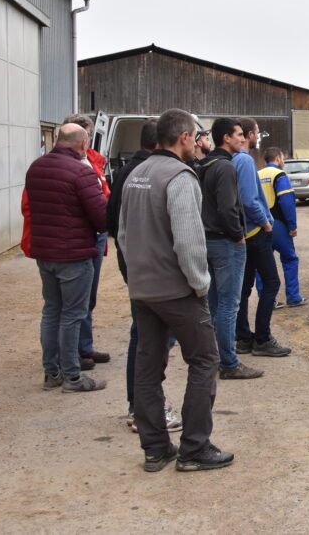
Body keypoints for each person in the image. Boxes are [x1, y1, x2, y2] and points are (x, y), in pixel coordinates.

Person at [119, 108, 233, 472]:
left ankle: (155, 448)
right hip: (176, 289)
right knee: (204, 359)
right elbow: (188, 240)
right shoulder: (180, 176)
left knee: (148, 367)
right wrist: (200, 284)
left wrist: (136, 277)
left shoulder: (136, 173)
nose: (199, 142)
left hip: (143, 288)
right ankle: (194, 449)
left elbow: (122, 234)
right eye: (196, 136)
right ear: (184, 137)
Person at [106, 119, 184, 431]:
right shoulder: (148, 174)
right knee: (150, 339)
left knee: (146, 337)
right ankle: (143, 407)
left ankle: (140, 405)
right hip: (154, 275)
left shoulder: (128, 172)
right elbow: (118, 225)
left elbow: (114, 225)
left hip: (138, 271)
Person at [25, 122, 107, 392]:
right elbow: (101, 218)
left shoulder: (36, 168)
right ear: (83, 143)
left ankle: (52, 373)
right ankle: (73, 377)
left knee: (51, 311)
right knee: (72, 315)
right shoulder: (81, 172)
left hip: (45, 253)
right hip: (73, 254)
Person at [200, 118, 263, 380]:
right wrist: (238, 235)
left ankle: (215, 356)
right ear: (226, 137)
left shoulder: (203, 164)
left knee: (215, 303)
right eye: (238, 135)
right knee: (228, 304)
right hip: (226, 243)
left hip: (208, 241)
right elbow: (228, 207)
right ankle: (228, 363)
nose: (243, 139)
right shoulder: (225, 166)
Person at [234, 118, 291, 357]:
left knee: (244, 288)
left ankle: (244, 338)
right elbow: (249, 200)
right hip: (255, 232)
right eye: (258, 133)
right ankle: (263, 339)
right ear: (249, 134)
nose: (259, 136)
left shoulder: (232, 160)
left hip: (241, 233)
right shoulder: (245, 160)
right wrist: (266, 222)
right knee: (271, 283)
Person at [63, 114, 112, 365]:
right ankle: (69, 355)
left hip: (96, 235)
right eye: (83, 136)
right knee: (71, 300)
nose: (86, 141)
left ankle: (84, 346)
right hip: (78, 237)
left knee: (88, 296)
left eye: (89, 135)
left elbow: (103, 193)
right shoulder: (61, 165)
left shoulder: (94, 160)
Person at [258, 147, 307, 308]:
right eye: (283, 158)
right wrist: (292, 226)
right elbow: (286, 201)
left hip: (260, 224)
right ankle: (293, 297)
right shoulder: (280, 175)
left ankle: (267, 300)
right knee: (290, 259)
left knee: (262, 264)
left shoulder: (257, 174)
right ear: (278, 158)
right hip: (278, 223)